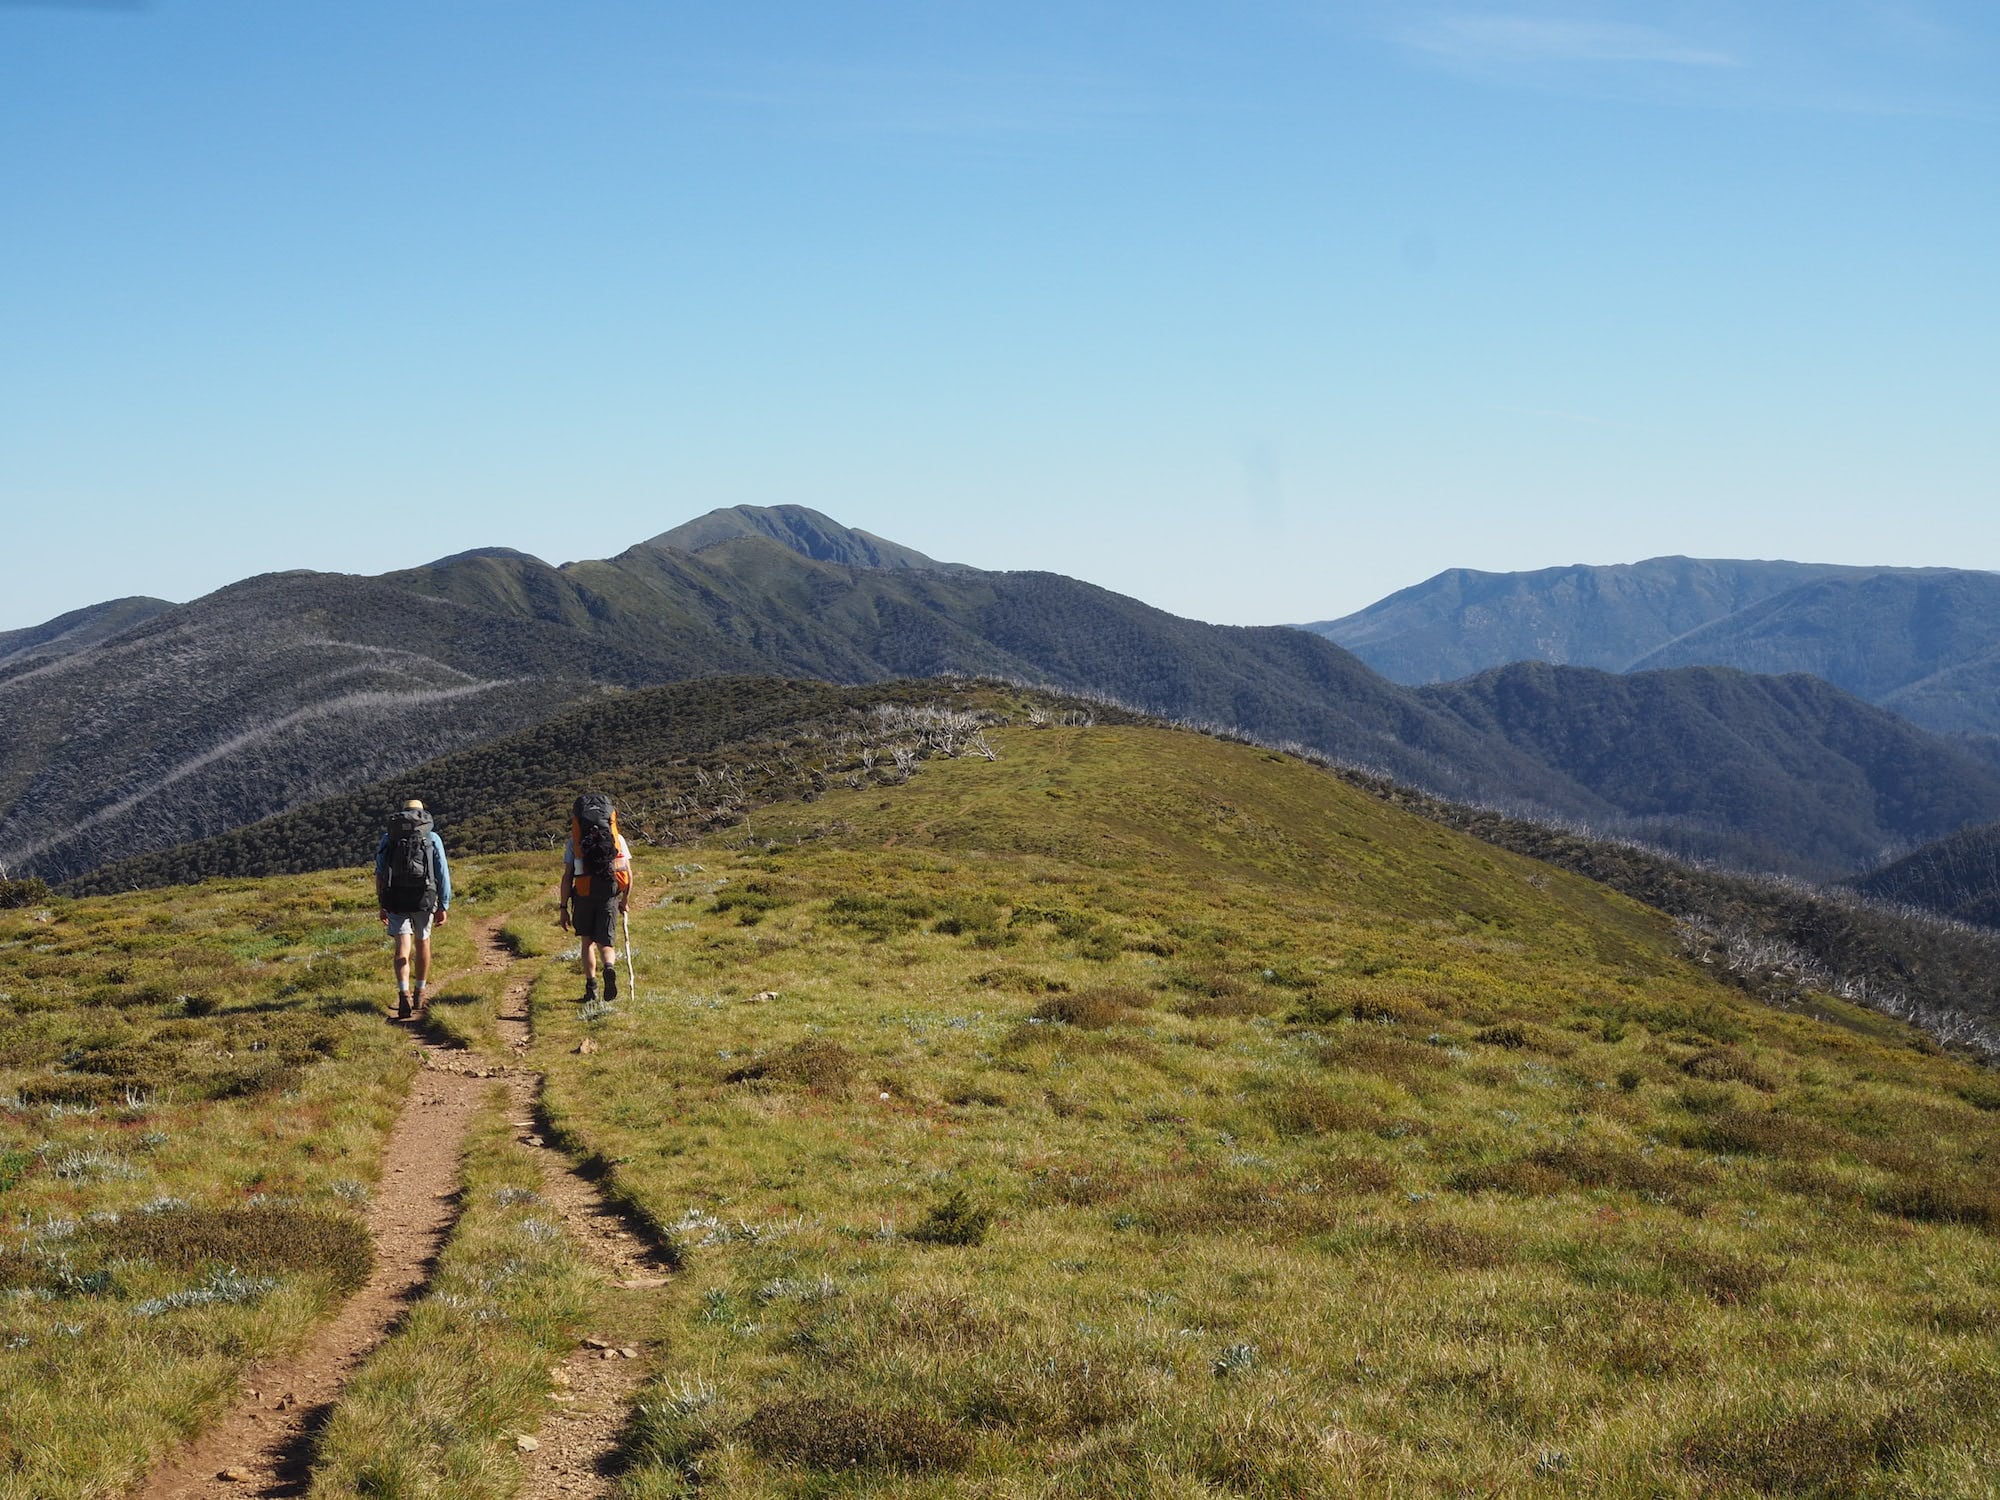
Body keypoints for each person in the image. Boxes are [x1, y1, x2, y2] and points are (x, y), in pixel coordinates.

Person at [376, 798, 451, 1019]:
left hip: (396, 899)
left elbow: (380, 873)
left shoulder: (389, 838)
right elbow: (442, 872)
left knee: (402, 948)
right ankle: (420, 992)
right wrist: (443, 904)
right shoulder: (432, 837)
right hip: (424, 898)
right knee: (423, 942)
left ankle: (403, 994)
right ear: (422, 814)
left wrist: (382, 904)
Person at [559, 792, 632, 1003]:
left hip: (583, 894)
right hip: (609, 894)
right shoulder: (617, 840)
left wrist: (563, 907)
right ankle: (609, 967)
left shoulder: (575, 842)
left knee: (587, 942)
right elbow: (627, 872)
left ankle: (591, 989)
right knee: (606, 943)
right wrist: (625, 899)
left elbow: (567, 877)